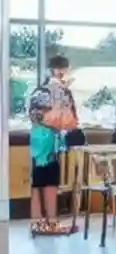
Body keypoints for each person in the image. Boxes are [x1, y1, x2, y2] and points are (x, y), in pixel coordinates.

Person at [28, 55, 78, 234]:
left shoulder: (42, 90)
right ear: (59, 70)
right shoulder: (52, 90)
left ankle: (45, 222)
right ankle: (44, 222)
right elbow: (45, 116)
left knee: (44, 181)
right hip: (45, 140)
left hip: (45, 140)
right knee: (45, 181)